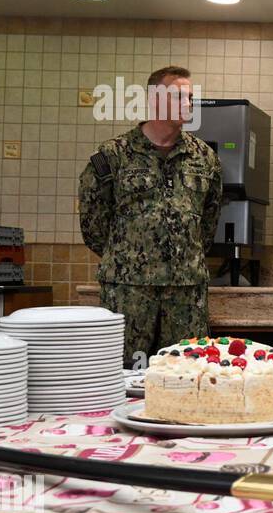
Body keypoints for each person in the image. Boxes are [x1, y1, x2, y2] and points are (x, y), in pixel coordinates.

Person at [78, 66, 222, 367]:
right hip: (129, 292)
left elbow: (208, 222)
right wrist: (129, 259)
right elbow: (93, 224)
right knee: (123, 372)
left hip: (186, 292)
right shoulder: (114, 155)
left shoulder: (204, 157)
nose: (189, 103)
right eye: (179, 96)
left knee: (186, 372)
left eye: (191, 97)